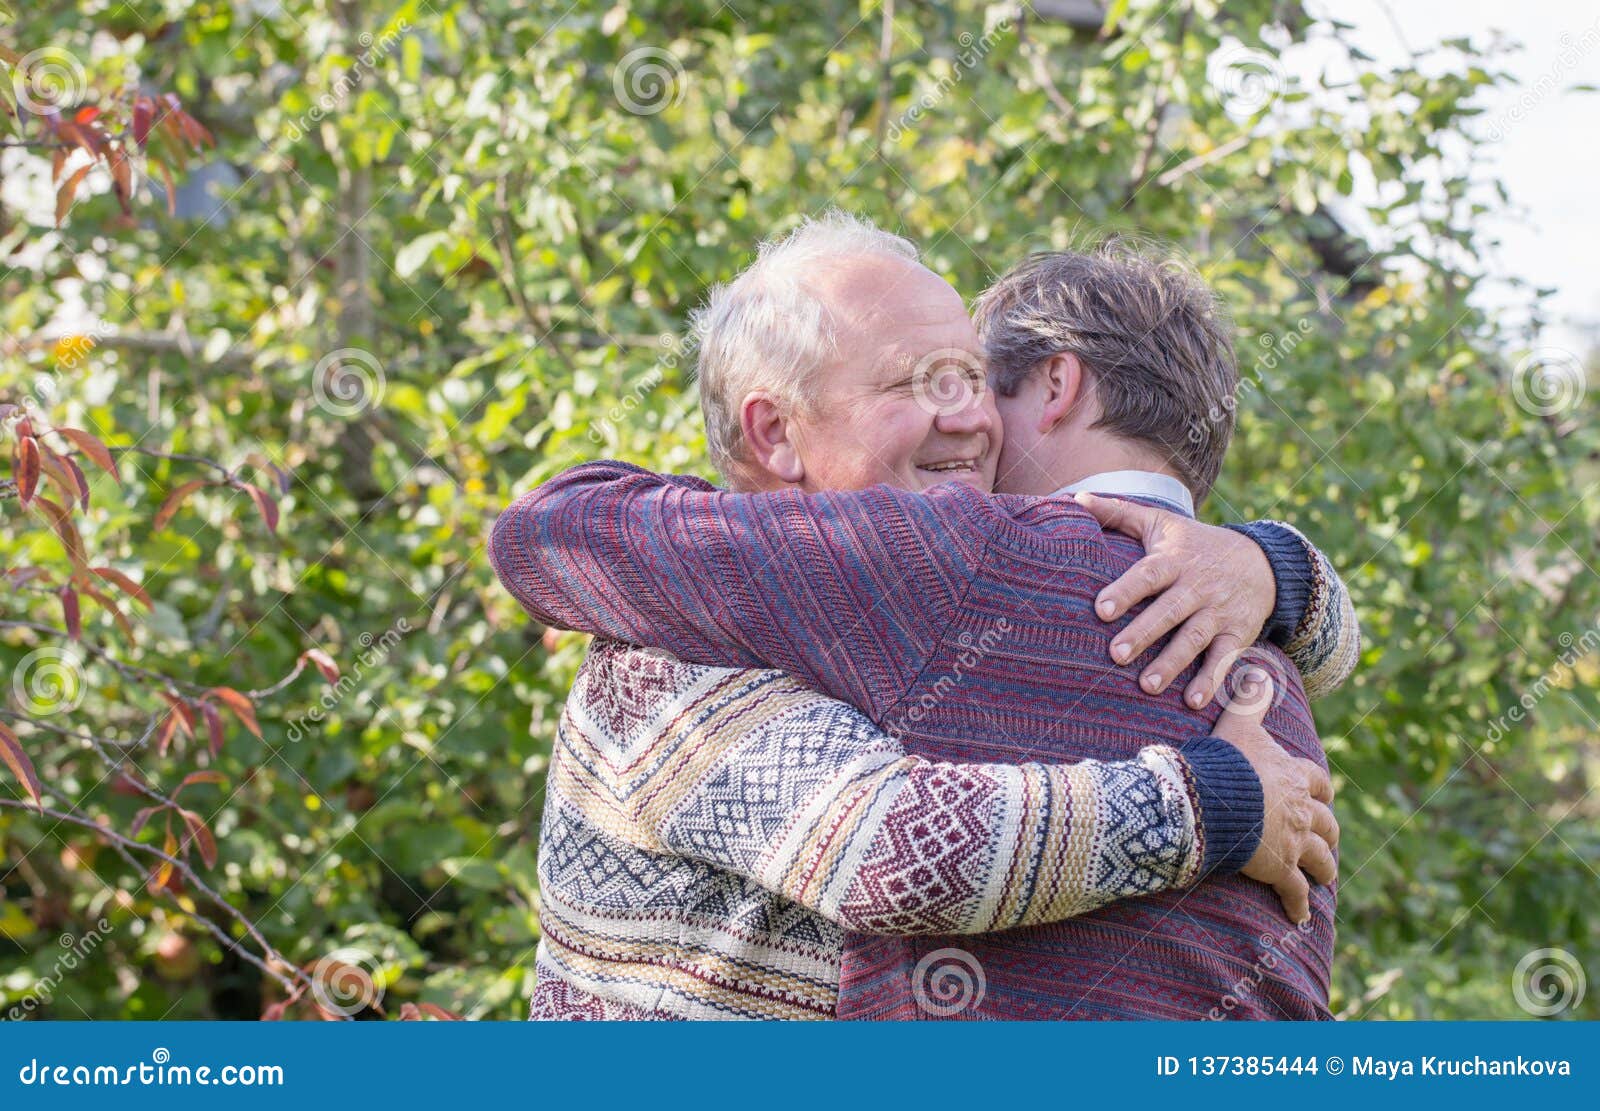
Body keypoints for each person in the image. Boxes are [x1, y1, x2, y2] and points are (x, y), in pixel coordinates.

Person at [490, 213, 1358, 1019]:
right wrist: (1218, 797)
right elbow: (890, 847)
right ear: (775, 432)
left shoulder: (1183, 609)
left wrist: (1273, 568)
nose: (975, 417)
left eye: (977, 379)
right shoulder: (661, 662)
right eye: (927, 381)